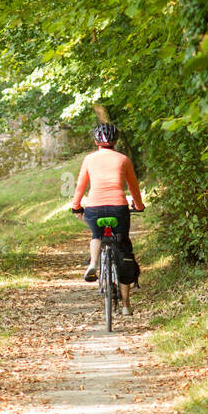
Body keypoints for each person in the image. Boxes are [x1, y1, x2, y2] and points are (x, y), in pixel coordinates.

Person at [71, 123, 144, 316]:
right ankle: (127, 305)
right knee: (123, 249)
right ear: (115, 141)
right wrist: (139, 205)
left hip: (94, 207)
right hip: (118, 207)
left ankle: (94, 263)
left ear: (96, 141)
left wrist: (76, 206)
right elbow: (133, 187)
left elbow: (80, 185)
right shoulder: (124, 159)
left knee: (96, 235)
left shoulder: (89, 159)